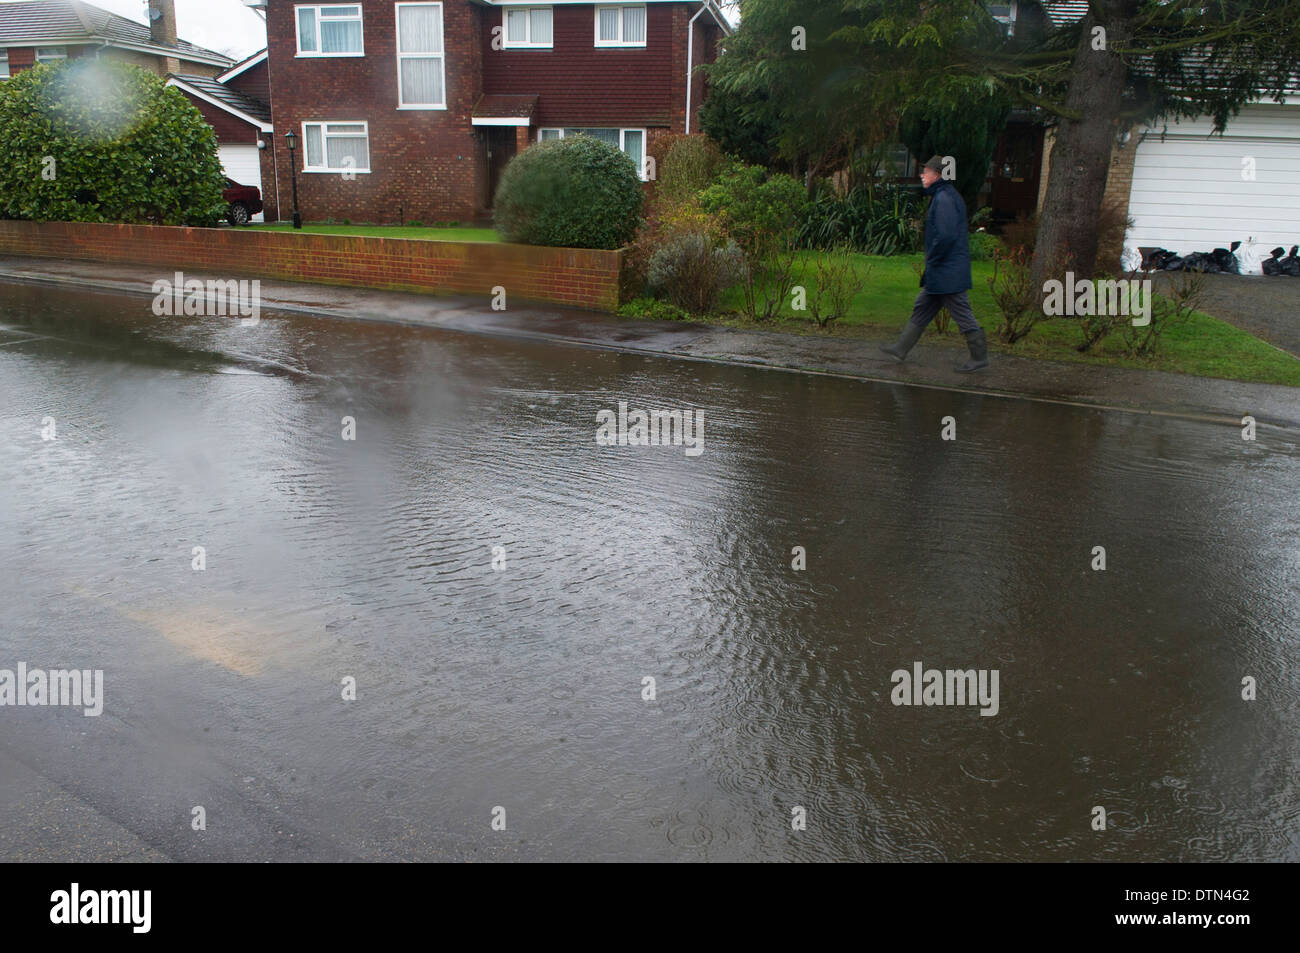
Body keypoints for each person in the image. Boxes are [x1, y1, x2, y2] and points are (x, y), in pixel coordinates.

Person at [880, 155, 989, 372]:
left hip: (947, 270)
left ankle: (979, 357)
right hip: (944, 270)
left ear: (937, 175)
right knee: (923, 307)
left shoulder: (944, 198)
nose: (922, 175)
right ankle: (901, 348)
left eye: (926, 172)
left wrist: (934, 260)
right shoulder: (943, 195)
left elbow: (946, 236)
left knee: (961, 312)